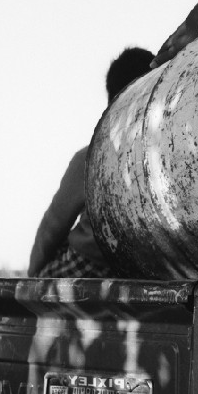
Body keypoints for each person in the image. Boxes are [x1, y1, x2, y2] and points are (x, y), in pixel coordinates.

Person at [28, 47, 154, 278]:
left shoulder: (91, 158)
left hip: (87, 264)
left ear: (111, 106)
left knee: (48, 280)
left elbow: (53, 226)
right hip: (143, 272)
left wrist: (33, 276)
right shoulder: (163, 158)